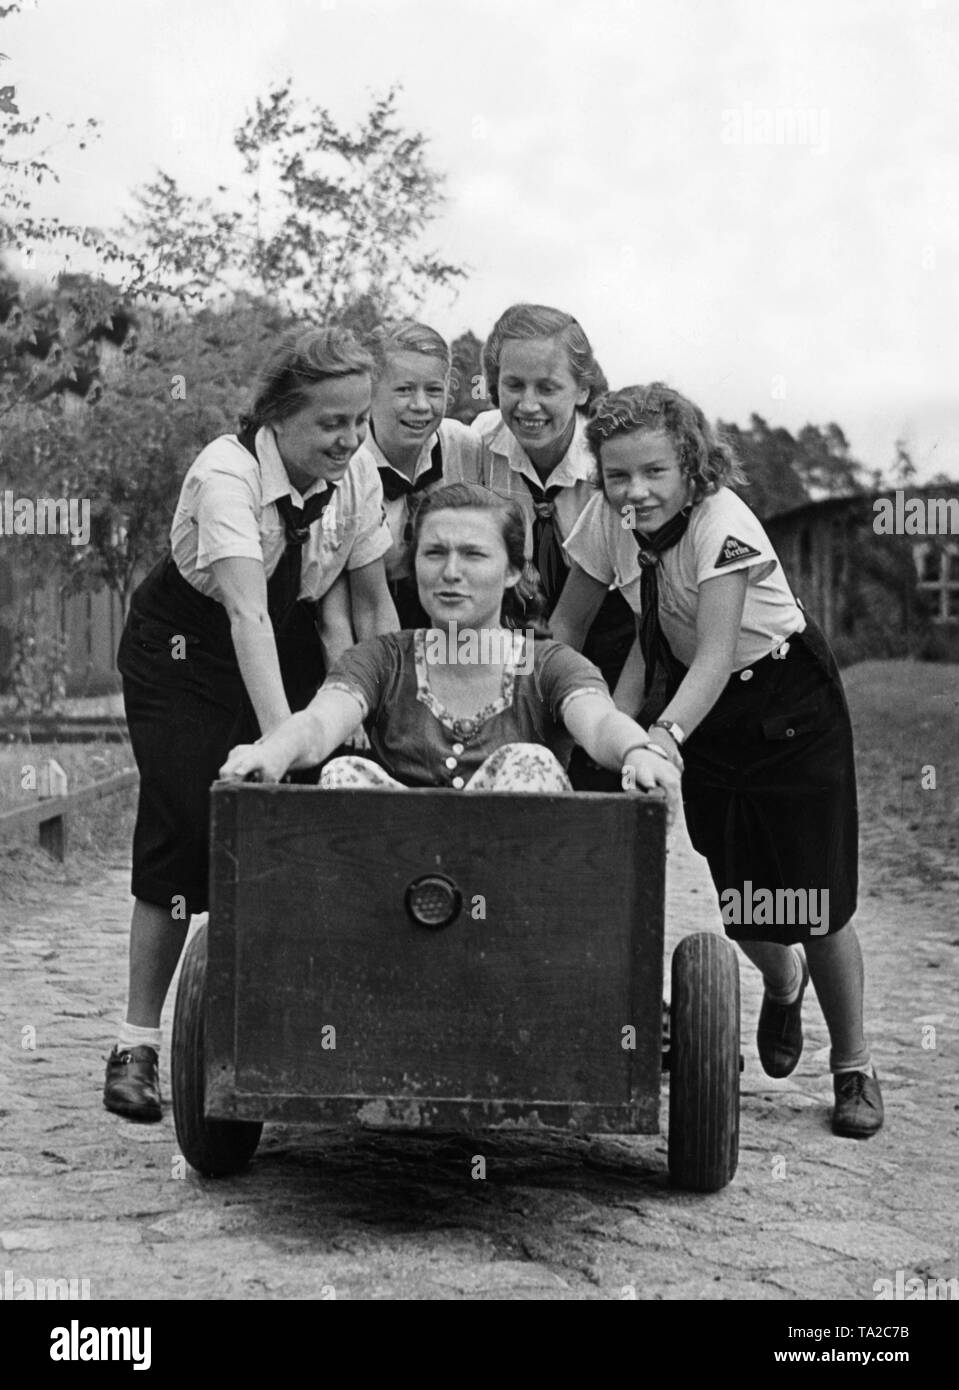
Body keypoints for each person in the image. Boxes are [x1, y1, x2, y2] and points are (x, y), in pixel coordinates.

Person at [551, 383, 883, 1138]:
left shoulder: (723, 523)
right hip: (704, 713)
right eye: (616, 475)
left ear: (692, 467)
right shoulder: (608, 520)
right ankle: (779, 975)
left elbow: (712, 653)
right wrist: (551, 713)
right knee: (743, 906)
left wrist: (658, 739)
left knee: (815, 897)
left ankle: (853, 1068)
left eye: (653, 473)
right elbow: (566, 629)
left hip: (783, 703)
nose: (634, 492)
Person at [104, 326, 397, 1122]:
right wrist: (279, 749)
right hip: (188, 649)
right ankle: (137, 1046)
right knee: (188, 821)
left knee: (313, 823)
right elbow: (243, 613)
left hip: (289, 636)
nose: (347, 438)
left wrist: (393, 706)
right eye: (328, 423)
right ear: (278, 416)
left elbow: (369, 603)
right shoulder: (225, 472)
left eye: (357, 420)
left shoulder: (359, 473)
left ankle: (289, 1026)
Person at [221, 483, 681, 826]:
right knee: (344, 771)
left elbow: (599, 721)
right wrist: (275, 749)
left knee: (531, 764)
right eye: (434, 553)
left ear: (513, 571)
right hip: (393, 887)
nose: (451, 573)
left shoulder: (547, 664)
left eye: (474, 555)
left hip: (517, 895)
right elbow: (322, 722)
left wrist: (637, 751)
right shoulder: (384, 661)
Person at [472, 304, 636, 706]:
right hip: (510, 641)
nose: (528, 405)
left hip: (610, 640)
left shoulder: (609, 465)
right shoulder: (480, 444)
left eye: (547, 388)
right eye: (513, 385)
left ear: (582, 389)